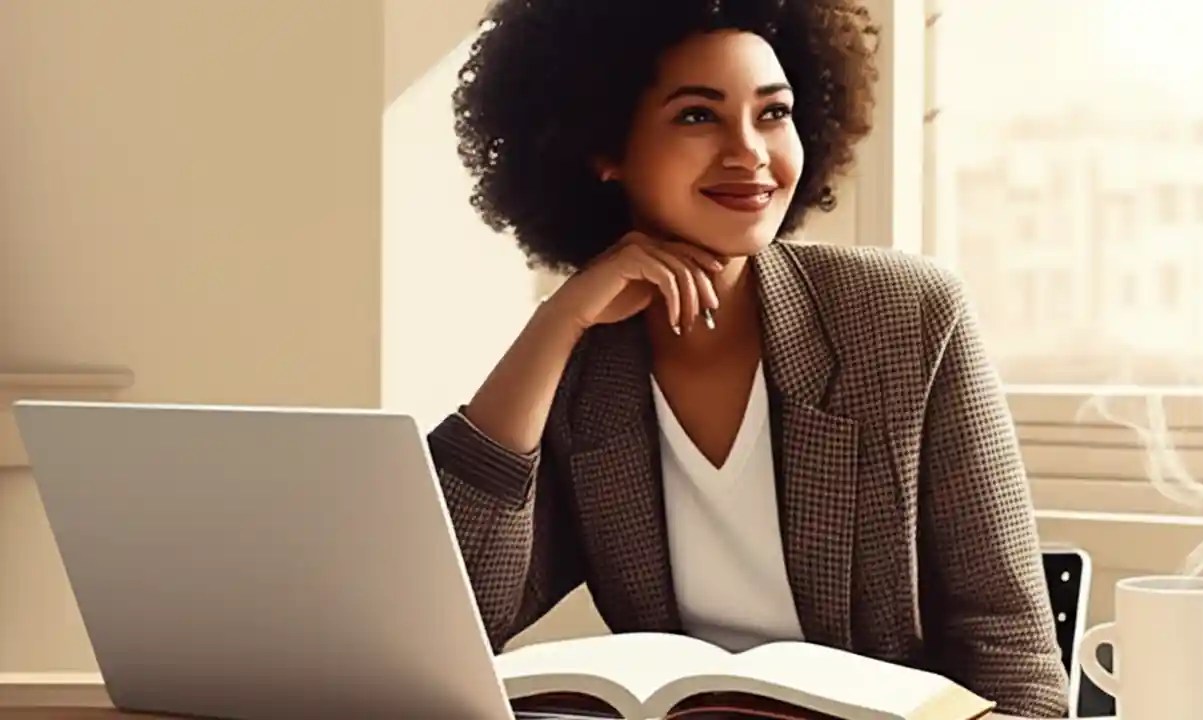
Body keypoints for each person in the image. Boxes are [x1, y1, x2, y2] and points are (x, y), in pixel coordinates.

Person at [425, 0, 1070, 717]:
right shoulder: (585, 371)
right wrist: (557, 323)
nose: (750, 152)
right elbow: (449, 622)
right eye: (698, 116)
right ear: (605, 148)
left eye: (773, 113)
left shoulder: (907, 316)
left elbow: (1018, 667)